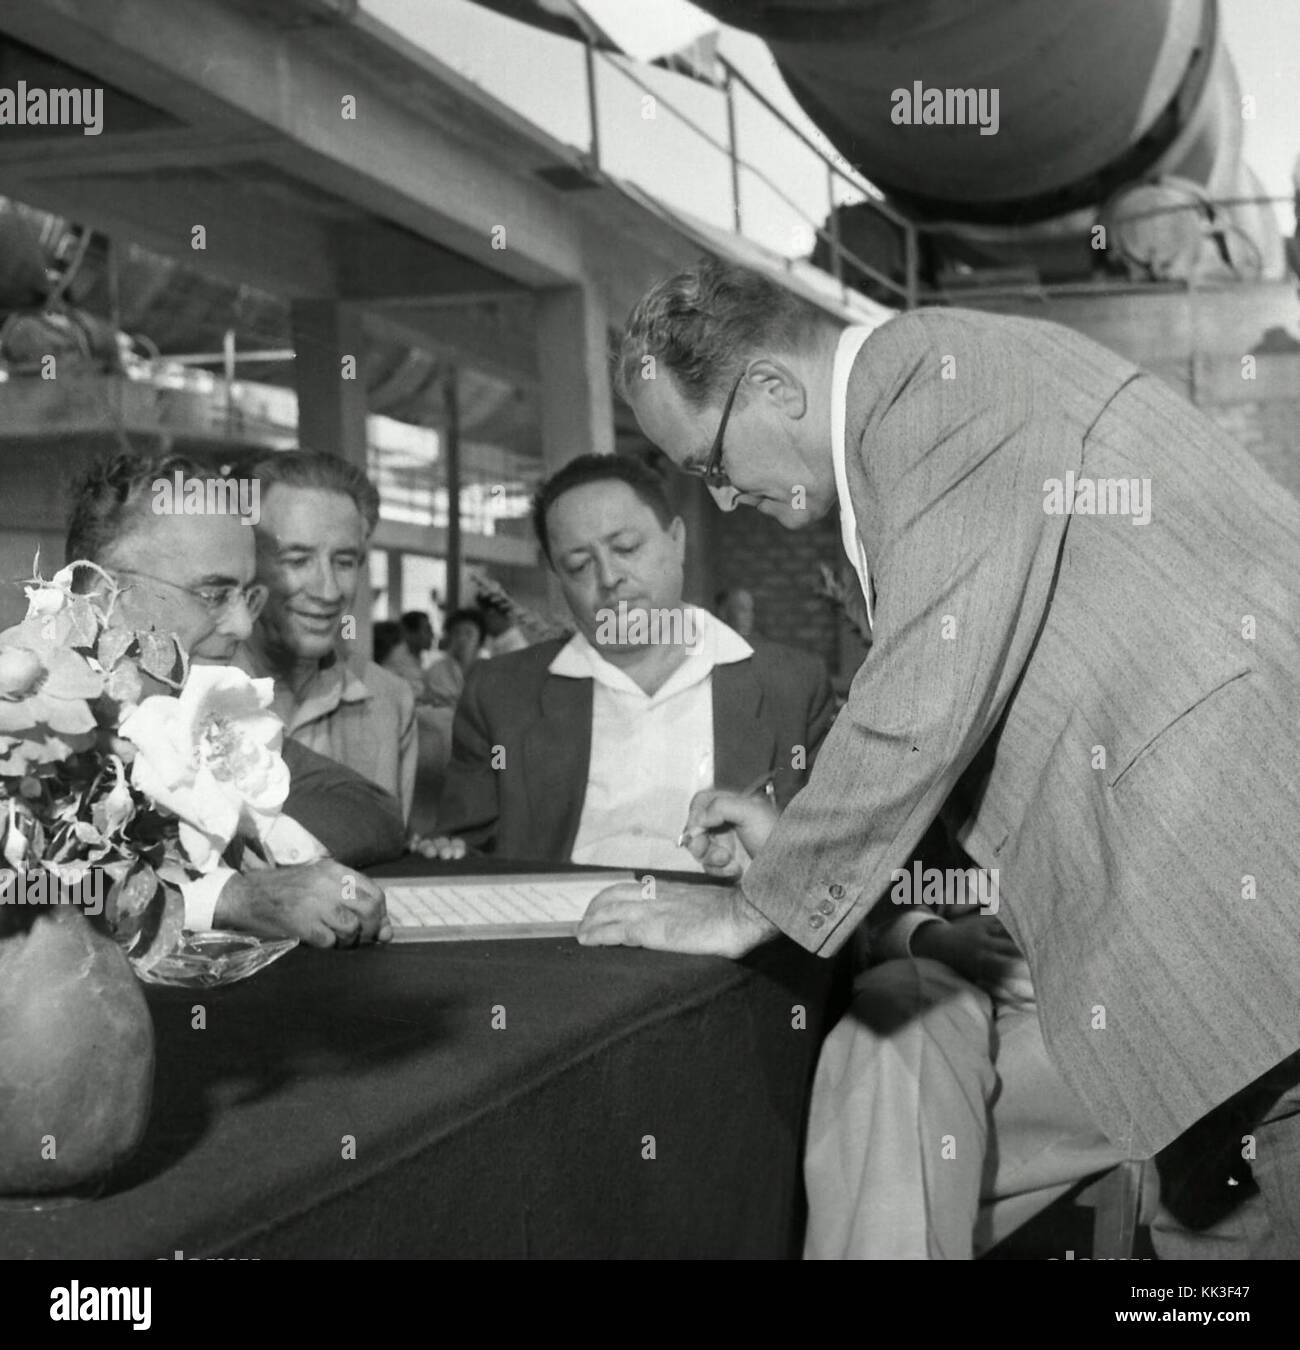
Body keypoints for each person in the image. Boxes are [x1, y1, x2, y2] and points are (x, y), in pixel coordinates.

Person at [579, 258, 1300, 1257]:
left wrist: (756, 907)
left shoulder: (936, 391)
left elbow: (928, 687)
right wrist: (803, 838)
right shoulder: (936, 400)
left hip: (1238, 897)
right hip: (1203, 924)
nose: (728, 500)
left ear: (776, 389)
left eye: (710, 464)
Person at [65, 452, 402, 947]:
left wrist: (251, 833)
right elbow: (23, 889)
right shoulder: (21, 712)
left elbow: (371, 812)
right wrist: (231, 897)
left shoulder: (210, 710)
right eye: (213, 595)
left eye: (247, 595)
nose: (242, 626)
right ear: (101, 594)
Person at [433, 453, 835, 867]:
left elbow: (837, 860)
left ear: (676, 539)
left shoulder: (789, 685)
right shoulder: (501, 695)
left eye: (626, 547)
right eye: (579, 565)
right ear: (558, 579)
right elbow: (463, 853)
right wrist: (446, 854)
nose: (609, 578)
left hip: (725, 921)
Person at [236, 451, 417, 824]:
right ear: (244, 563)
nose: (328, 590)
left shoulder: (390, 702)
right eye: (297, 560)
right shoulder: (186, 695)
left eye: (344, 562)